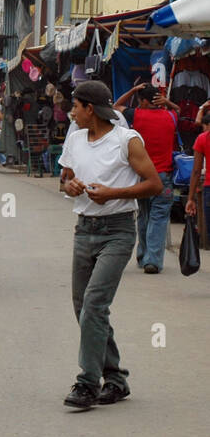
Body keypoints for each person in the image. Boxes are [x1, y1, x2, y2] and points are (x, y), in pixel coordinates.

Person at [57, 81, 162, 410]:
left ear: (91, 109)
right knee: (84, 308)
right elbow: (65, 178)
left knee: (94, 304)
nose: (71, 112)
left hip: (117, 231)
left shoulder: (126, 141)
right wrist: (69, 185)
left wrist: (112, 193)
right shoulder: (75, 139)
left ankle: (87, 383)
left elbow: (154, 184)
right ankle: (115, 378)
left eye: (75, 106)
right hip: (83, 229)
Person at [115, 83, 179, 273]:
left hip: (141, 176)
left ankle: (143, 256)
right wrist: (168, 102)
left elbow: (115, 107)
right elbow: (178, 110)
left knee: (143, 215)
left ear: (143, 100)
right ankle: (152, 260)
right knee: (158, 217)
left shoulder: (136, 115)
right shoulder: (170, 116)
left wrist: (132, 91)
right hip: (163, 177)